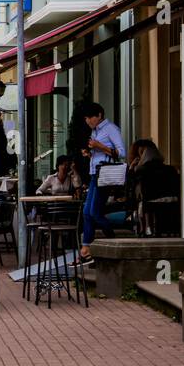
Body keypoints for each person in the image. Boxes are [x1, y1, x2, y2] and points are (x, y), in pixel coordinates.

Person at [80, 101, 126, 263]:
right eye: (86, 118)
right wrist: (90, 153)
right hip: (95, 174)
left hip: (105, 176)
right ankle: (86, 248)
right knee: (87, 212)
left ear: (99, 115)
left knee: (94, 213)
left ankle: (113, 241)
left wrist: (99, 146)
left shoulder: (111, 129)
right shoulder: (96, 131)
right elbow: (100, 153)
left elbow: (121, 152)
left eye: (90, 117)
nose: (88, 121)